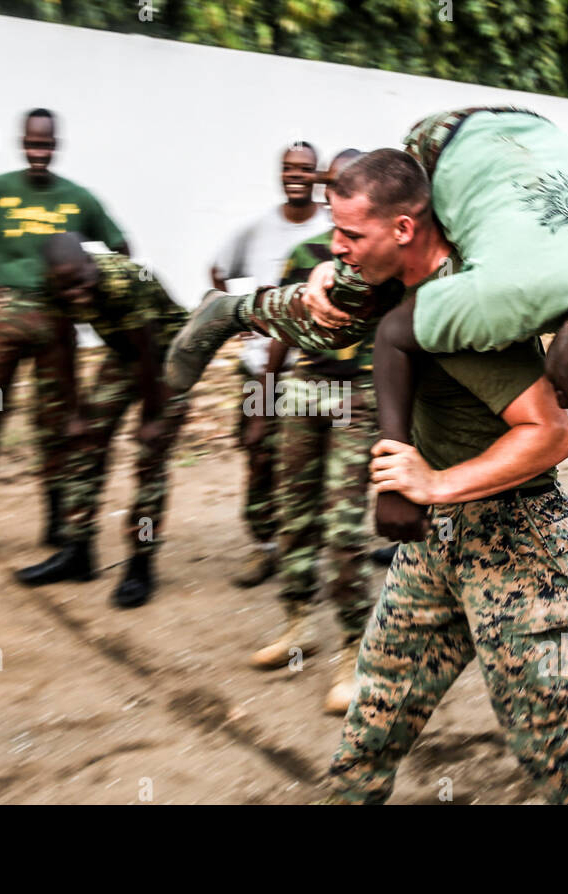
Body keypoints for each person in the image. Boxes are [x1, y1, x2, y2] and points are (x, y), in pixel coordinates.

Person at [263, 149, 568, 803]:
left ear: (403, 231)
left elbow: (553, 433)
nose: (336, 245)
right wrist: (326, 270)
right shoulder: (391, 276)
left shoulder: (464, 312)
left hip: (517, 542)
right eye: (334, 230)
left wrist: (434, 484)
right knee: (374, 713)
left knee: (546, 738)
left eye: (350, 235)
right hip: (437, 543)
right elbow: (332, 288)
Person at [166, 106, 568, 539]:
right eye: (561, 386)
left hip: (536, 141)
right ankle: (231, 308)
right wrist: (398, 477)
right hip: (447, 143)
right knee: (355, 304)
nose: (562, 402)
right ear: (561, 327)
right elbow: (395, 337)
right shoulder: (502, 296)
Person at [0, 108, 130, 571]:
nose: (39, 152)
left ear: (56, 145)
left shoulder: (78, 198)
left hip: (58, 325)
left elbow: (121, 246)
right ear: (22, 143)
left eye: (46, 145)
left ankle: (57, 520)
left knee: (58, 424)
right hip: (4, 322)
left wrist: (91, 295)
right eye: (32, 144)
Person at [248, 149, 378, 714]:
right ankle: (296, 625)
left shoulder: (383, 262)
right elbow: (281, 329)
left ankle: (354, 652)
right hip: (303, 389)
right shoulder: (305, 253)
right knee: (294, 512)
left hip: (359, 395)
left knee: (344, 528)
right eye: (334, 194)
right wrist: (262, 404)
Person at [12, 235, 188, 608]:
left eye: (82, 280)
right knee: (85, 442)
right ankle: (77, 551)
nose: (78, 291)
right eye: (67, 286)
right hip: (126, 353)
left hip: (171, 355)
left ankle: (141, 564)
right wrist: (75, 412)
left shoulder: (124, 281)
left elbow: (149, 354)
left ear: (91, 265)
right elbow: (62, 345)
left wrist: (153, 418)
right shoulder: (50, 286)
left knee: (150, 456)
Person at [210, 141, 329, 588]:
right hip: (260, 365)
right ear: (280, 174)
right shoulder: (259, 228)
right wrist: (238, 314)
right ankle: (264, 546)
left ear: (316, 175)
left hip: (311, 369)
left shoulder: (333, 228)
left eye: (305, 169)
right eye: (288, 168)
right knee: (258, 452)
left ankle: (306, 551)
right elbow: (219, 268)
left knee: (310, 459)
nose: (296, 175)